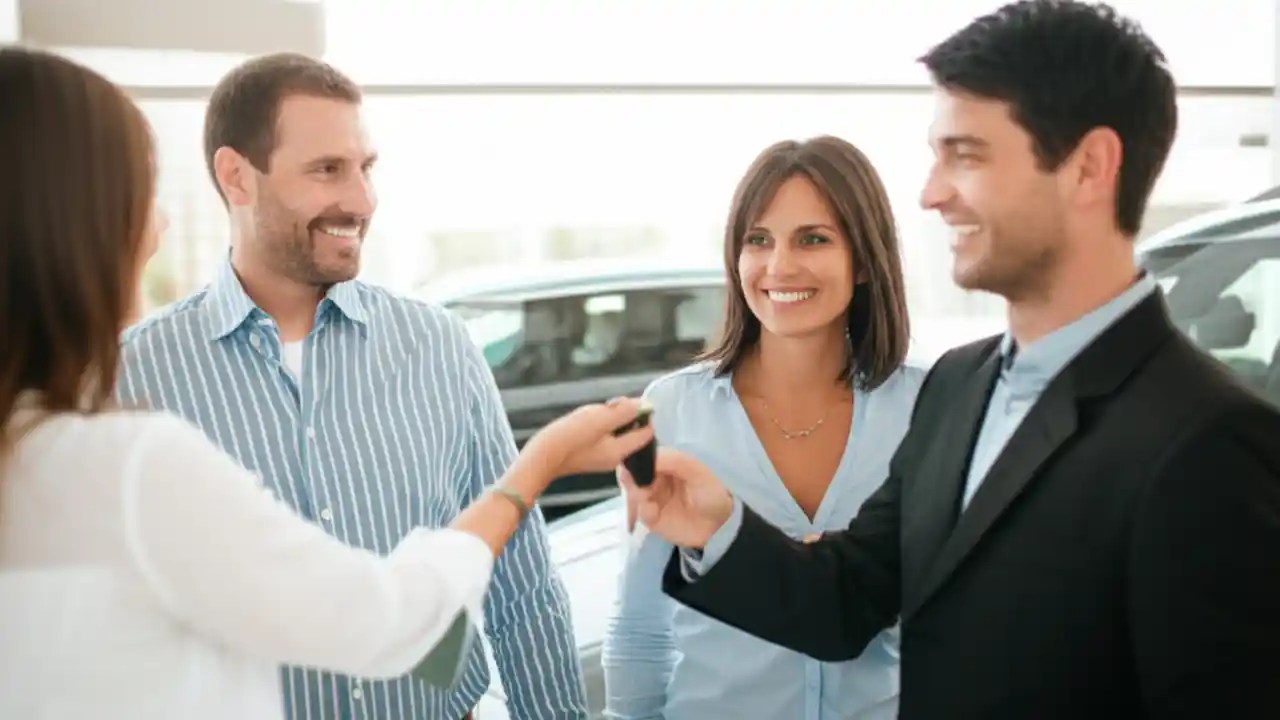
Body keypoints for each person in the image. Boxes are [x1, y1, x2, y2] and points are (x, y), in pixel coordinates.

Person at [622, 2, 1280, 718]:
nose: (932, 194)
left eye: (965, 156)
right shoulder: (961, 386)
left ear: (1089, 167)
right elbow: (846, 602)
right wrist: (716, 528)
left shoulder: (1210, 440)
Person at [0, 46, 653, 720]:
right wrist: (540, 463)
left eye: (365, 168)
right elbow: (377, 618)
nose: (362, 199)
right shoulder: (127, 391)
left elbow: (521, 584)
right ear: (236, 177)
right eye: (327, 170)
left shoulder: (438, 346)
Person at [602, 136, 921, 720]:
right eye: (758, 240)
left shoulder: (927, 407)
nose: (779, 266)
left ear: (867, 259)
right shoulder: (671, 407)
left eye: (813, 239)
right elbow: (640, 625)